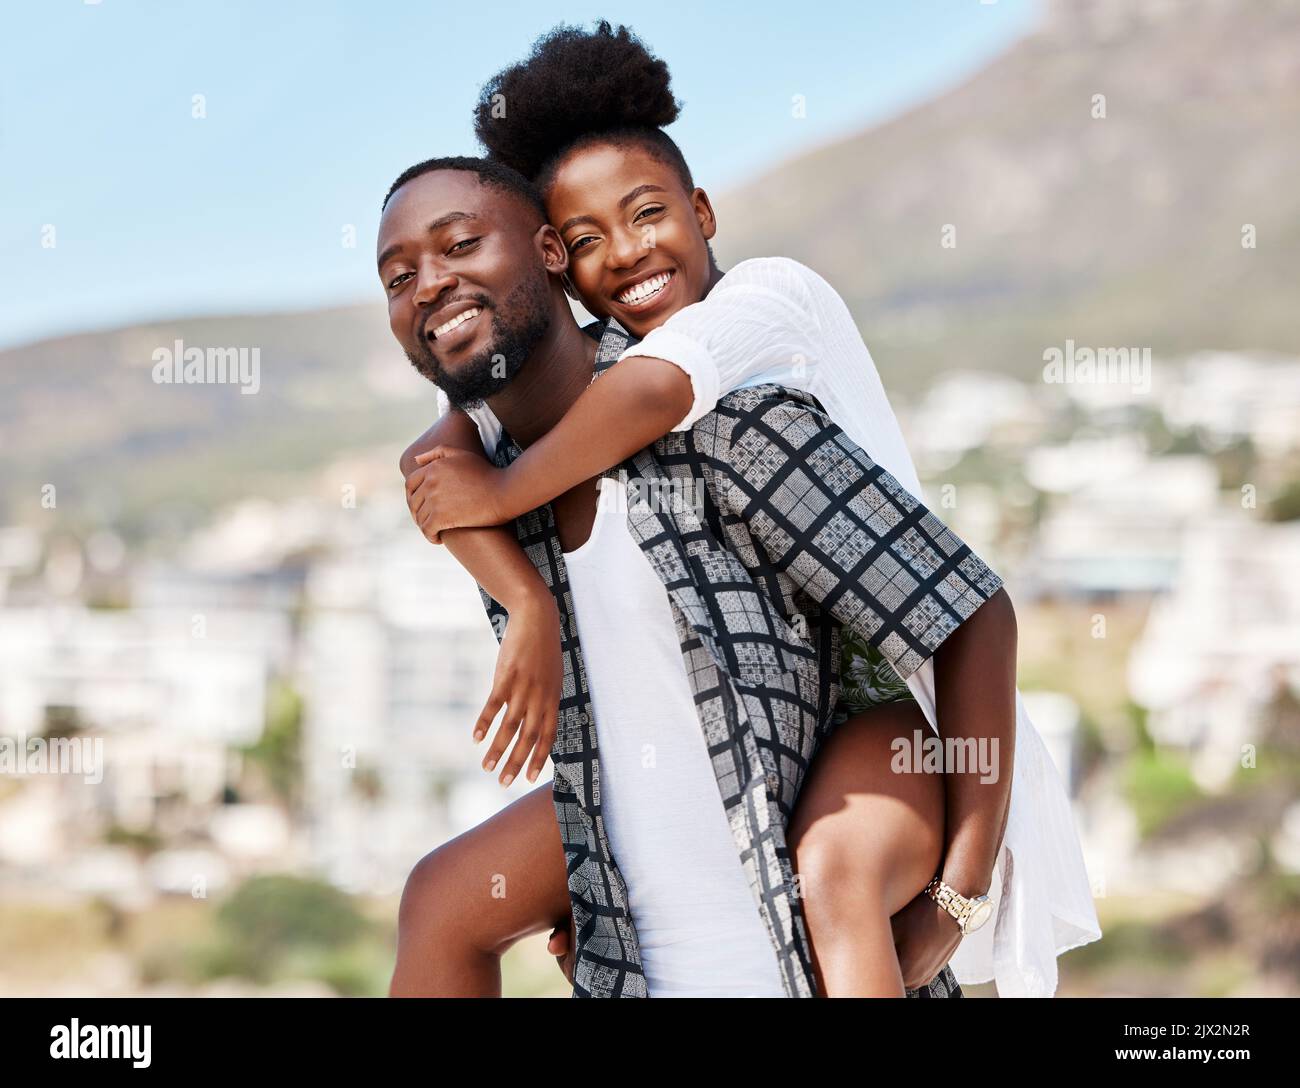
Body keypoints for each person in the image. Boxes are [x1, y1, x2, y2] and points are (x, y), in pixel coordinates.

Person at [394, 24, 1100, 997]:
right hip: (797, 709)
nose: (627, 251)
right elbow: (449, 431)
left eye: (647, 213)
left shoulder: (764, 306)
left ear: (702, 208)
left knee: (833, 877)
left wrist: (959, 893)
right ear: (557, 261)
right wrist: (524, 589)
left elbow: (652, 394)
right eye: (587, 240)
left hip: (903, 708)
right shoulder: (592, 387)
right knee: (444, 894)